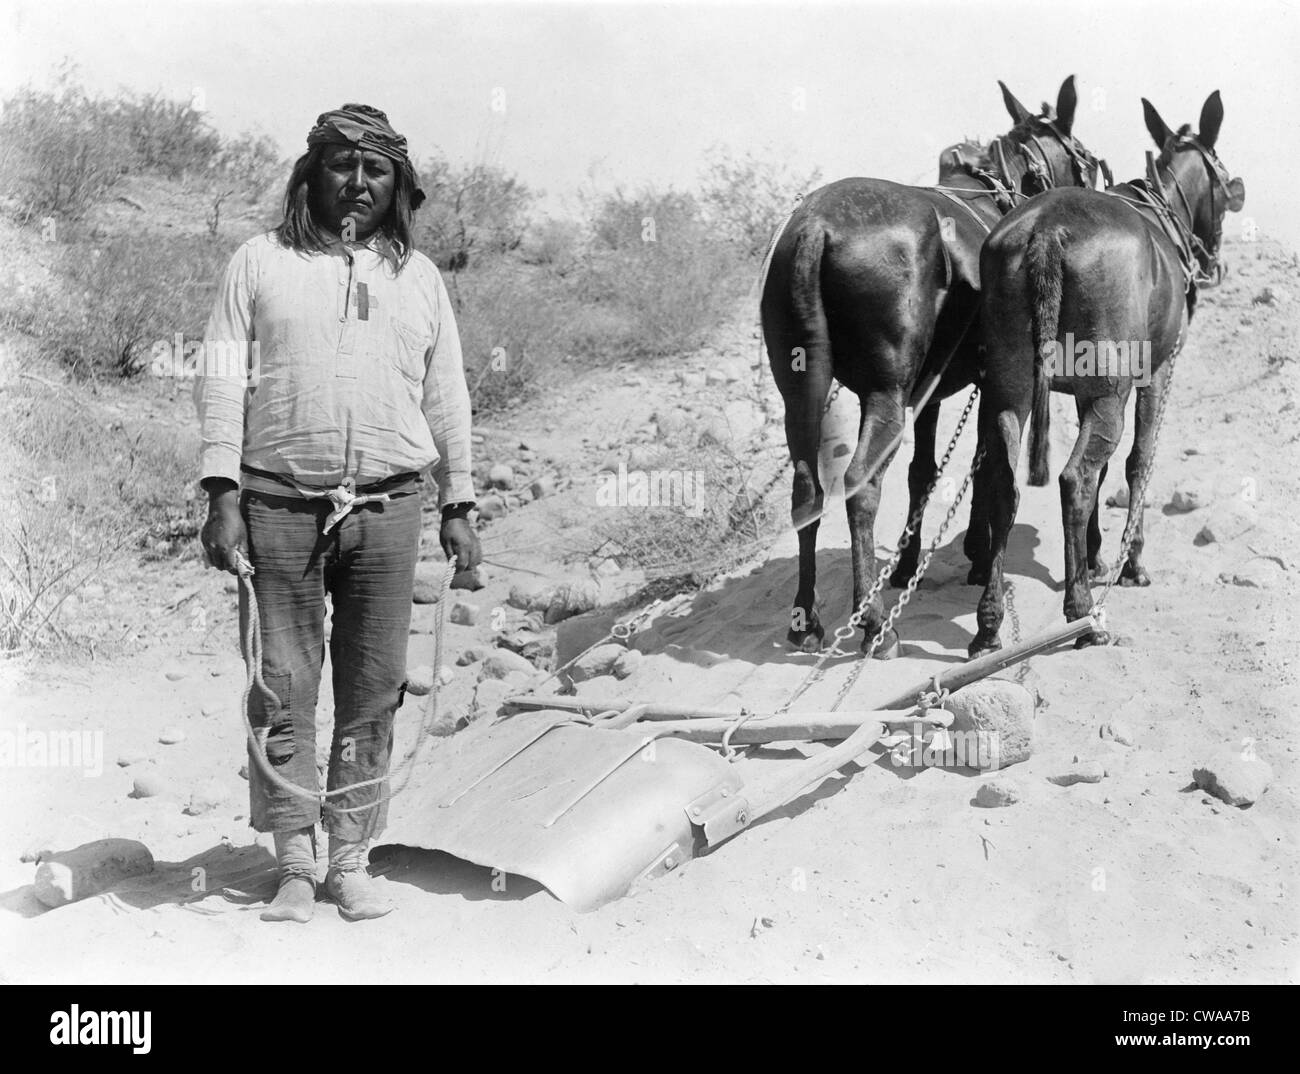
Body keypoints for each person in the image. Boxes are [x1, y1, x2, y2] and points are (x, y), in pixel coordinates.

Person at [194, 103, 481, 923]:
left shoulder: (417, 279)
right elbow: (218, 379)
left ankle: (349, 858)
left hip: (390, 506)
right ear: (309, 174)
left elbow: (448, 395)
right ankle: (291, 859)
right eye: (339, 165)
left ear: (398, 188)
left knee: (371, 686)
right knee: (280, 683)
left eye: (375, 170)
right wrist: (221, 493)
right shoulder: (257, 263)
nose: (357, 183)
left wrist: (459, 503)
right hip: (276, 503)